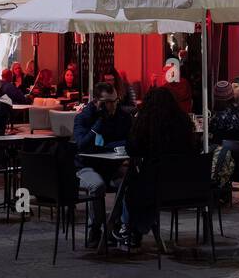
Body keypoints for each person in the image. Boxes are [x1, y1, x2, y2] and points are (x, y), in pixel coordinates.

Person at [112, 87, 197, 247]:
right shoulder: (184, 123)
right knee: (136, 184)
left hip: (155, 187)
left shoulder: (146, 124)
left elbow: (132, 149)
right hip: (184, 187)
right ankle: (130, 229)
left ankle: (128, 229)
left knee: (130, 185)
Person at [72, 84, 133, 248]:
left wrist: (105, 146)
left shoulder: (122, 117)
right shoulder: (84, 118)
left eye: (115, 101)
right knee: (97, 185)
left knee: (129, 183)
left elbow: (130, 141)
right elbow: (82, 146)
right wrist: (97, 125)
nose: (112, 106)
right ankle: (95, 230)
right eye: (107, 102)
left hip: (111, 167)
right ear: (96, 102)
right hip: (86, 167)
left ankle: (115, 227)